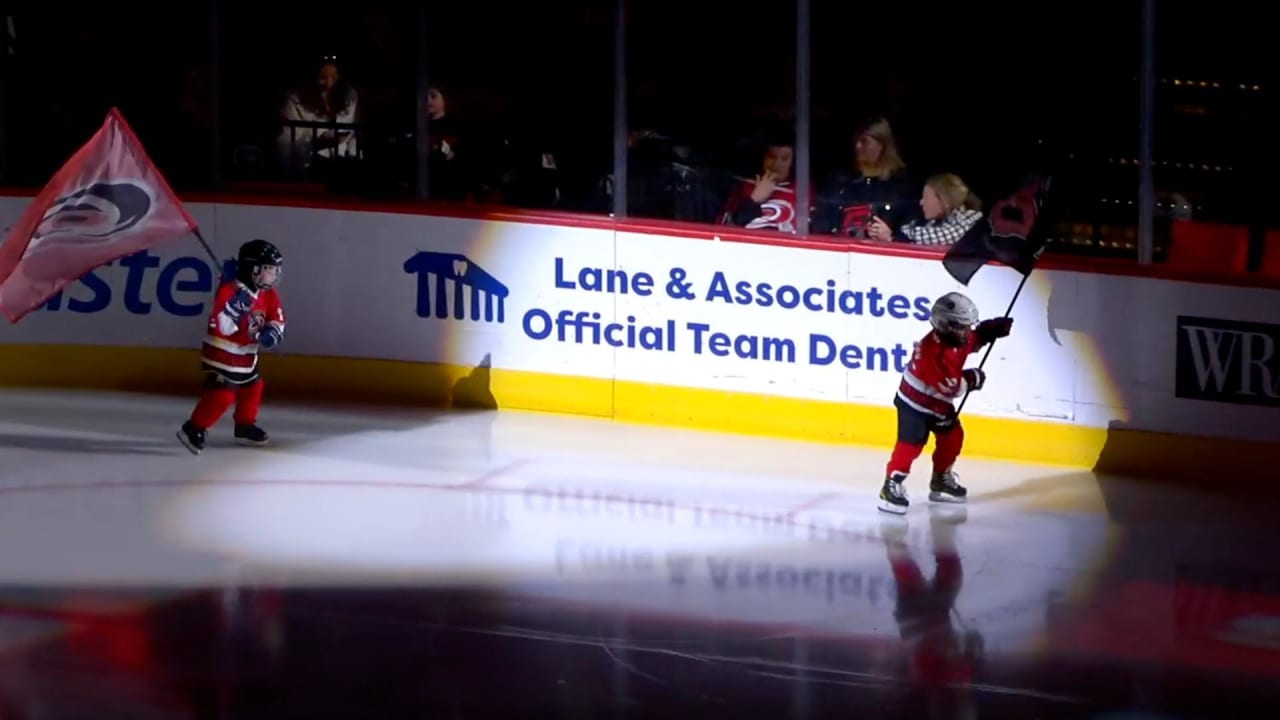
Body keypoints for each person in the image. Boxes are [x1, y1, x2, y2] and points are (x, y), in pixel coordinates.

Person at [879, 292, 1012, 514]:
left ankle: (941, 479)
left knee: (952, 437)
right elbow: (950, 386)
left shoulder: (956, 336)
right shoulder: (932, 352)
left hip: (939, 404)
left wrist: (990, 331)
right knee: (910, 445)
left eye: (968, 326)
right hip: (915, 404)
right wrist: (972, 379)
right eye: (963, 327)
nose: (967, 332)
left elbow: (972, 342)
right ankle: (891, 486)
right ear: (945, 325)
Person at [176, 239, 286, 454]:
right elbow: (222, 327)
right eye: (268, 270)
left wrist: (273, 332)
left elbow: (278, 318)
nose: (273, 275)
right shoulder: (229, 292)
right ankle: (194, 428)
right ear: (253, 270)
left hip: (246, 356)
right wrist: (234, 308)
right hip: (222, 353)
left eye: (274, 270)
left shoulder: (268, 294)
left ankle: (244, 425)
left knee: (253, 387)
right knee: (221, 395)